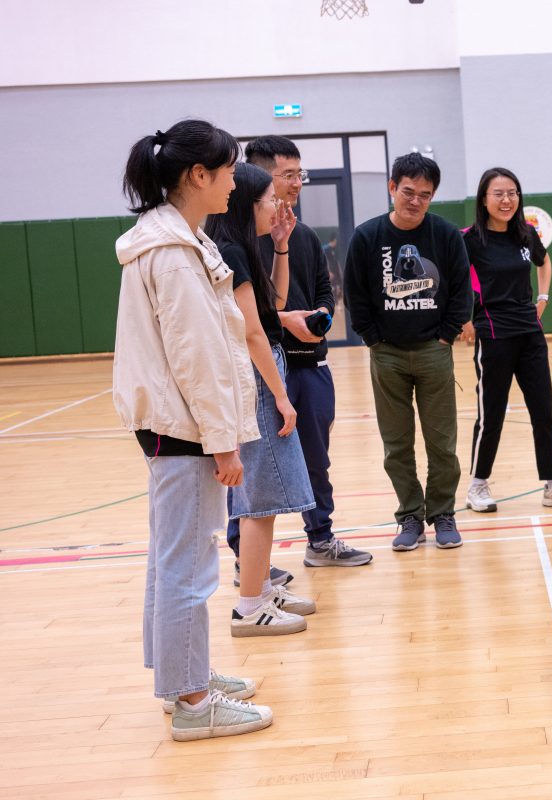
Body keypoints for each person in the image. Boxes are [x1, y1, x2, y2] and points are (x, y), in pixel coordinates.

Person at [114, 119, 272, 740]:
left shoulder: (177, 240)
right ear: (198, 175)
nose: (236, 181)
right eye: (229, 170)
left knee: (172, 558)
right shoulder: (175, 256)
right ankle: (193, 702)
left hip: (174, 425)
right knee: (188, 564)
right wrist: (223, 442)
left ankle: (183, 676)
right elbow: (197, 358)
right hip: (184, 428)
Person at [241, 136, 372, 570]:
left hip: (311, 367)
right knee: (253, 469)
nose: (298, 183)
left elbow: (324, 292)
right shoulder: (239, 242)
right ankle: (247, 560)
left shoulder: (304, 236)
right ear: (261, 178)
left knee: (317, 461)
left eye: (301, 174)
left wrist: (319, 317)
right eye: (288, 175)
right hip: (262, 373)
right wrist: (285, 321)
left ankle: (320, 539)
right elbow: (247, 315)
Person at [204, 162, 317, 636]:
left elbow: (275, 307)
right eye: (270, 198)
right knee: (260, 497)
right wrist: (281, 397)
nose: (277, 205)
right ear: (248, 204)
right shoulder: (229, 250)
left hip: (263, 367)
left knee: (264, 495)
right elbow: (252, 334)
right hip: (257, 375)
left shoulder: (243, 247)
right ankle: (250, 606)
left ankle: (262, 589)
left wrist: (282, 246)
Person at [343, 153, 472, 551]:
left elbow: (462, 291)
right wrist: (373, 339)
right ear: (392, 188)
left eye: (425, 195)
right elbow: (355, 295)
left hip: (434, 351)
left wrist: (446, 336)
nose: (415, 201)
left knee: (442, 443)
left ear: (432, 197)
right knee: (397, 445)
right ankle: (410, 516)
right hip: (387, 354)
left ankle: (443, 513)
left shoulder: (446, 235)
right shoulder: (367, 237)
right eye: (408, 191)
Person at [460, 167, 552, 514]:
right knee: (492, 414)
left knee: (544, 411)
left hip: (530, 332)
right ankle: (477, 484)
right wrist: (464, 319)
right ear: (484, 198)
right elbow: (454, 279)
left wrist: (543, 298)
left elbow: (545, 263)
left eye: (512, 193)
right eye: (498, 193)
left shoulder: (526, 234)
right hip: (493, 334)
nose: (506, 200)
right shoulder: (469, 239)